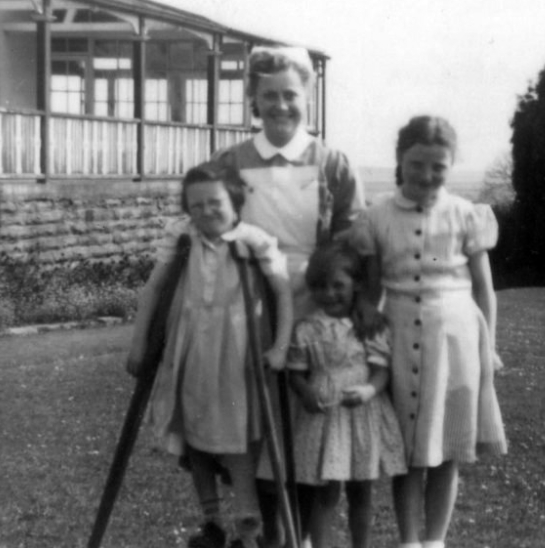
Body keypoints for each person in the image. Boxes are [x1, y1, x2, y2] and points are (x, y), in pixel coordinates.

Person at [212, 45, 365, 546]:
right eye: (269, 95)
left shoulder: (332, 163)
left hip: (315, 311)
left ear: (309, 99)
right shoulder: (229, 162)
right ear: (253, 100)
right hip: (246, 310)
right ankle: (270, 535)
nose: (281, 105)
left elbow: (351, 244)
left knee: (313, 436)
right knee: (262, 432)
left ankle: (308, 537)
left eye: (291, 95)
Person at [351, 115, 507, 548]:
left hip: (454, 340)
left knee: (446, 449)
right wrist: (365, 313)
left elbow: (484, 289)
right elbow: (370, 285)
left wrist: (488, 349)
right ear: (401, 159)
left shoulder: (465, 215)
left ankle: (434, 540)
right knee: (406, 453)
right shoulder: (377, 216)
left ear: (451, 165)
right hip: (399, 338)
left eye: (438, 167)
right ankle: (409, 541)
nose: (427, 175)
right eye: (417, 164)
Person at [126, 163, 294, 548]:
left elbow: (282, 293)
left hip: (236, 354)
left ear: (234, 201)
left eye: (214, 203)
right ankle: (212, 520)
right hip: (189, 349)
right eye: (195, 205)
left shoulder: (253, 240)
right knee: (193, 435)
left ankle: (247, 525)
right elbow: (153, 288)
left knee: (236, 437)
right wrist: (139, 342)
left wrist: (281, 346)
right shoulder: (183, 235)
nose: (205, 212)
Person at [287, 243, 406, 548]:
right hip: (324, 415)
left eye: (338, 285)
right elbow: (295, 373)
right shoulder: (306, 329)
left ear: (357, 284)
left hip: (361, 414)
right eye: (320, 287)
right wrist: (305, 392)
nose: (329, 293)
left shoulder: (369, 325)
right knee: (325, 491)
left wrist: (368, 390)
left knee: (361, 491)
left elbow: (381, 372)